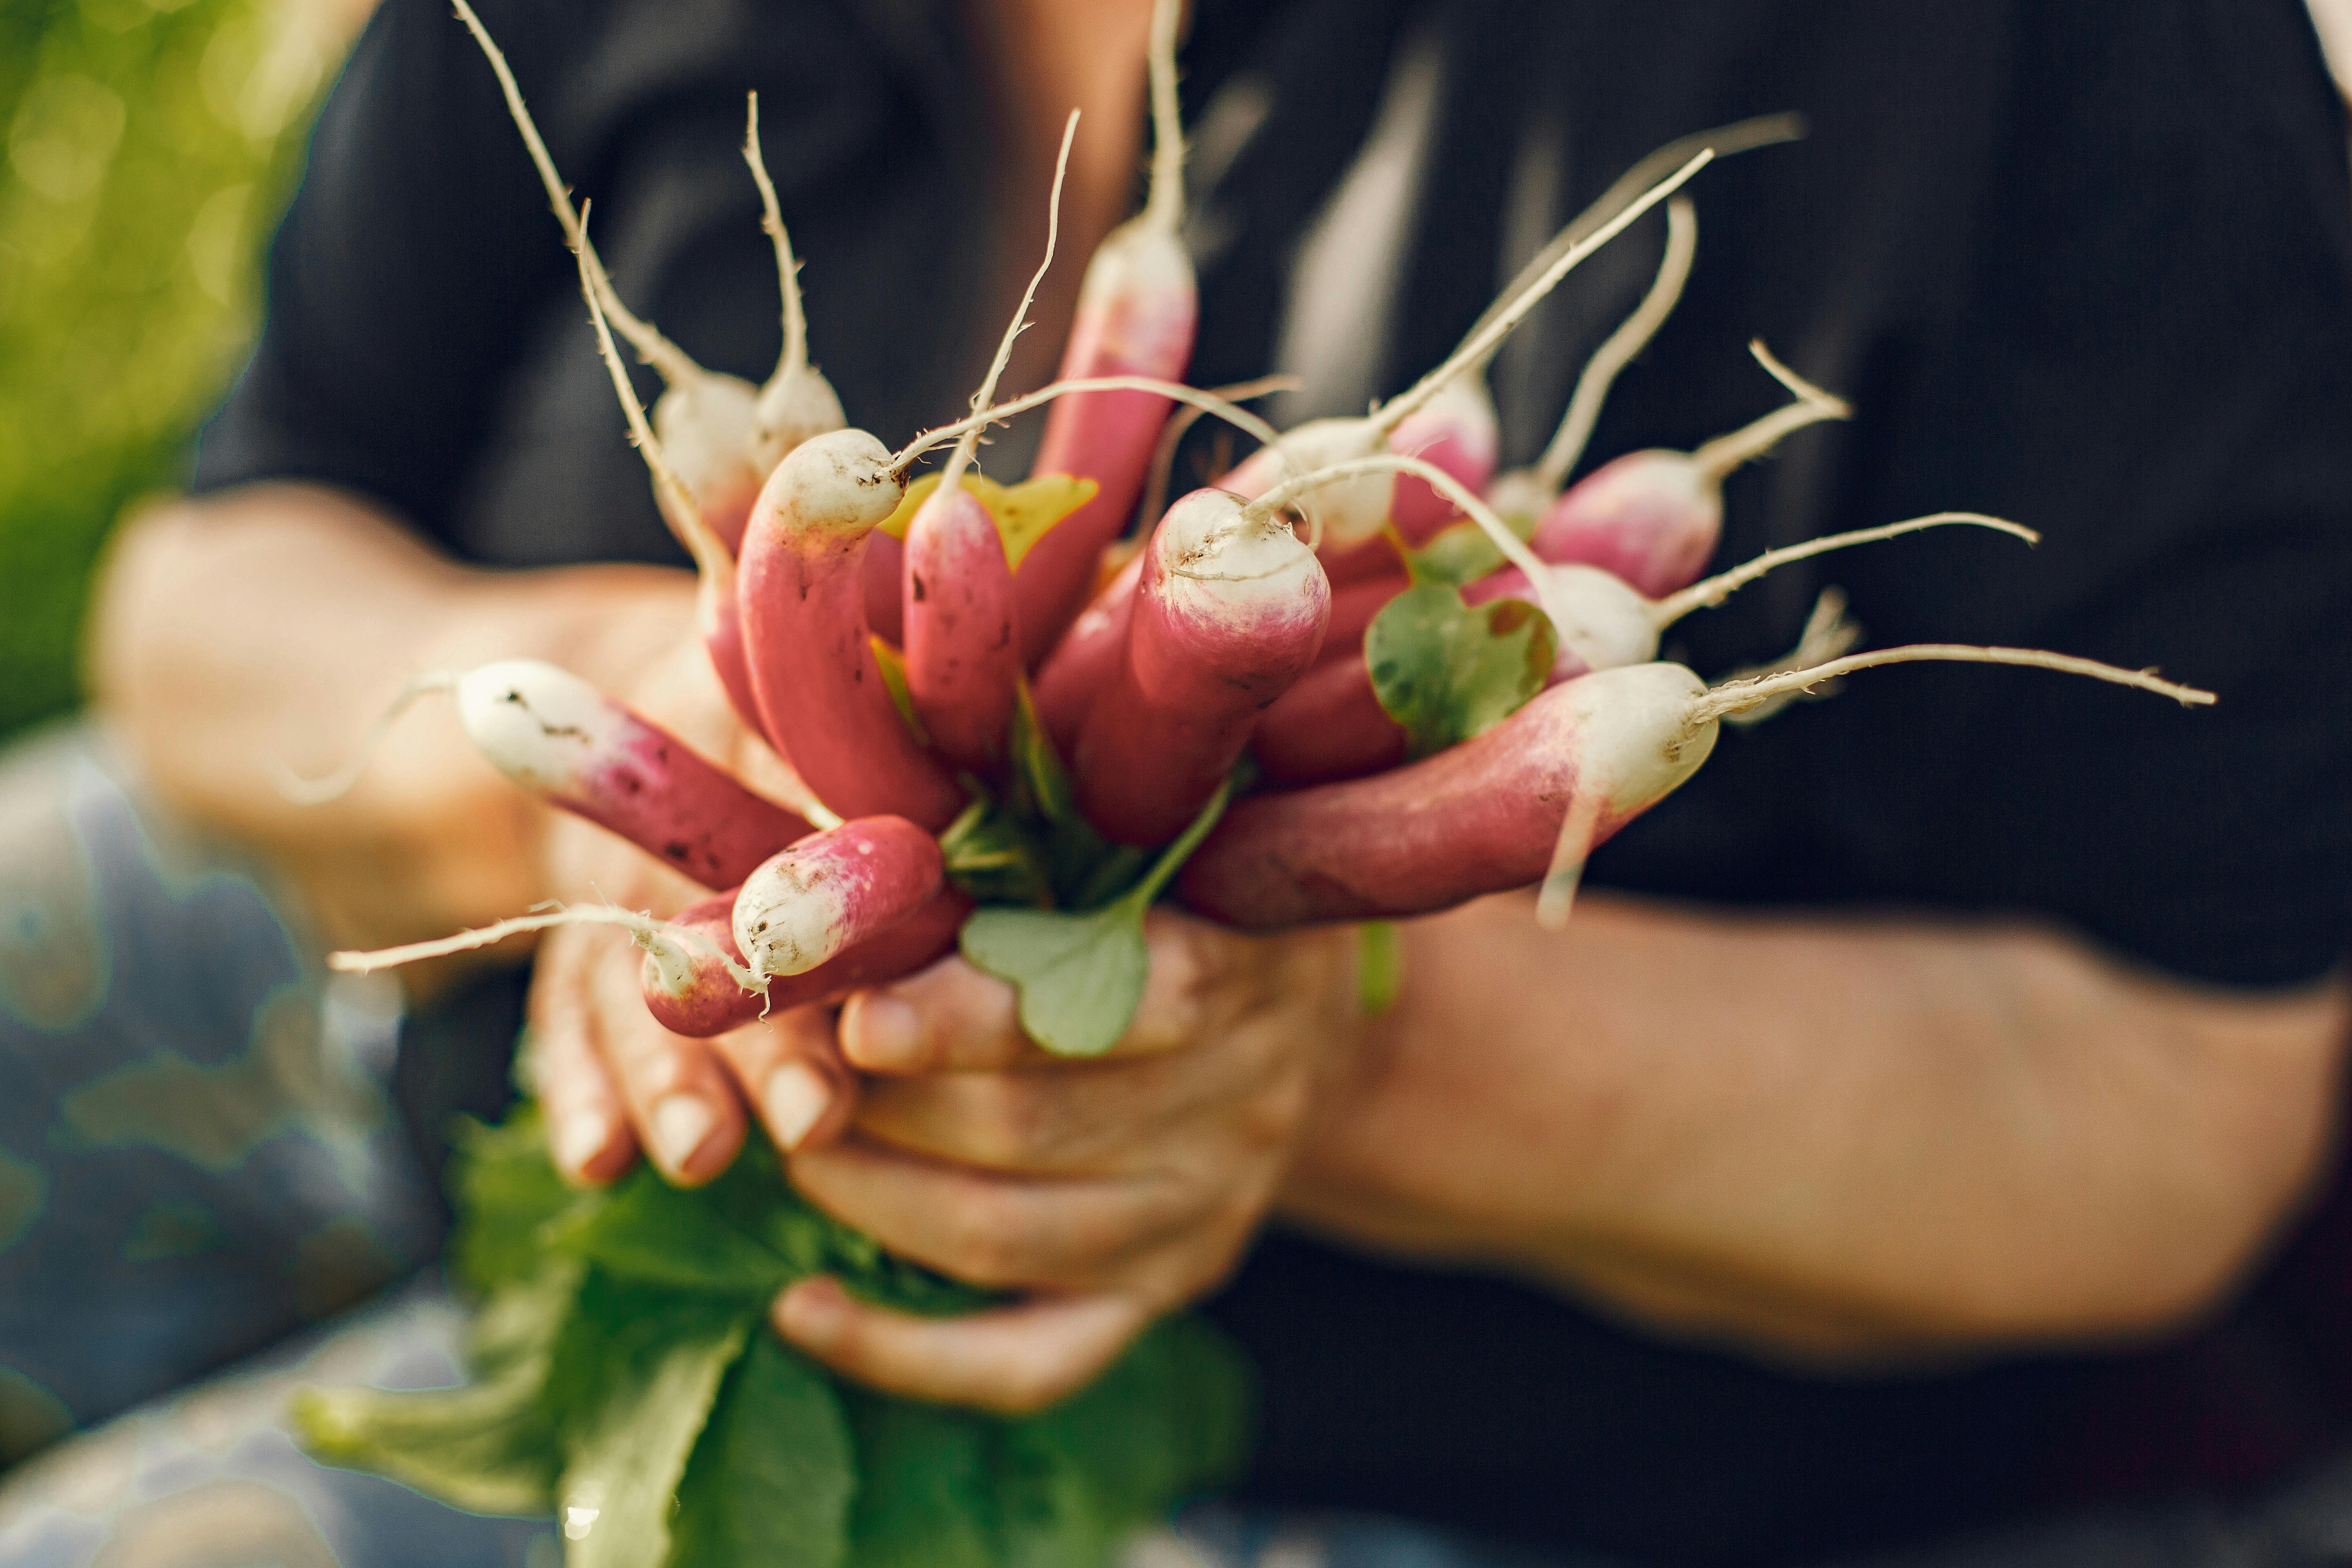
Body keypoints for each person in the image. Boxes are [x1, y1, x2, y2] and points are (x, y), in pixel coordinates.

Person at [11, 0, 2352, 1563]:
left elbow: (2182, 1105)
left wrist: (1316, 1053)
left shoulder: (2046, 67)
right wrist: (605, 721)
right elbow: (214, 578)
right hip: (499, 961)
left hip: (1384, 1425)